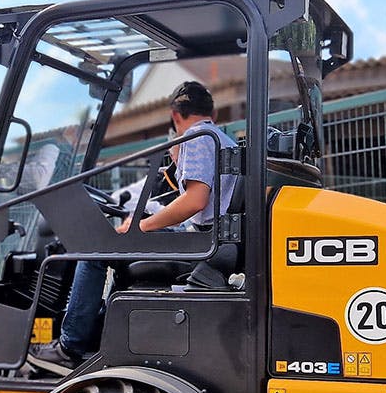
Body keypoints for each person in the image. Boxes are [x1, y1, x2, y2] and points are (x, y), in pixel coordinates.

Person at [27, 80, 238, 375]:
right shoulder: (222, 139)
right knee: (120, 249)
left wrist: (143, 225)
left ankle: (70, 346)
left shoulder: (195, 137)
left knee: (96, 251)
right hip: (212, 239)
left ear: (175, 115)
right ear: (211, 111)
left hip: (202, 243)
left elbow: (194, 201)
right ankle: (104, 332)